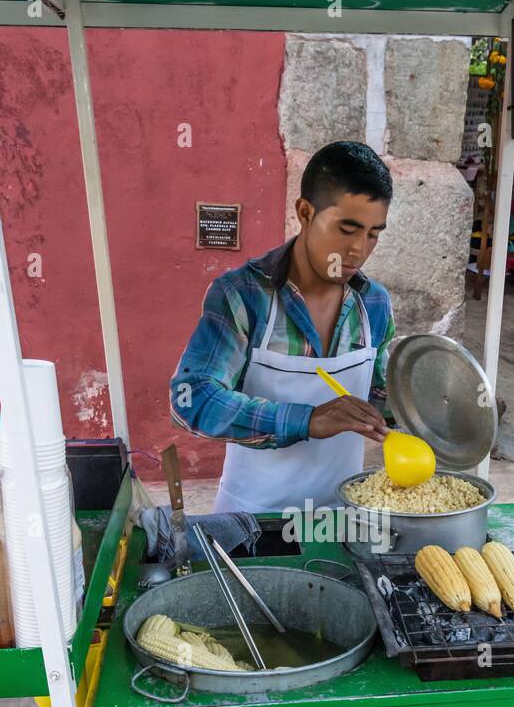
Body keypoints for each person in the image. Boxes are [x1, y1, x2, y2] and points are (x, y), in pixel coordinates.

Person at [169, 141, 395, 513]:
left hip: (339, 518)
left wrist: (417, 409)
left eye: (373, 233)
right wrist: (306, 420)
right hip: (252, 518)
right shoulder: (243, 296)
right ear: (305, 212)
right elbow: (191, 399)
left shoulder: (374, 304)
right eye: (346, 228)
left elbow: (380, 395)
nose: (359, 249)